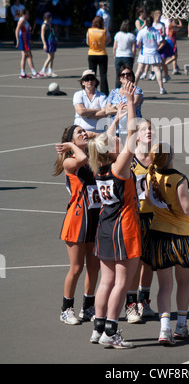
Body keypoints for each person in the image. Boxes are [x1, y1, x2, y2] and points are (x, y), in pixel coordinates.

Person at [89, 80, 142, 349]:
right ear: (110, 149)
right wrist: (130, 105)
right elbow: (132, 134)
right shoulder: (120, 167)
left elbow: (105, 140)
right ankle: (112, 332)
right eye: (113, 140)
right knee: (121, 281)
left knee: (106, 280)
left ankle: (98, 329)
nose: (116, 138)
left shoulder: (99, 167)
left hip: (105, 226)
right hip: (124, 225)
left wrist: (115, 118)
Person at [142, 142, 189, 345]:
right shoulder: (179, 179)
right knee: (183, 281)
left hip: (158, 235)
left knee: (164, 286)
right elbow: (186, 209)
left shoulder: (150, 177)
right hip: (181, 236)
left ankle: (164, 329)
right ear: (170, 157)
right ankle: (181, 325)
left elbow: (148, 200)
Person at [54, 125, 101, 325]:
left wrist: (91, 135)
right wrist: (73, 146)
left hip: (96, 217)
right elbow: (80, 159)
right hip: (77, 220)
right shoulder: (70, 162)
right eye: (78, 132)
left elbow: (107, 140)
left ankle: (88, 307)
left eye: (84, 131)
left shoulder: (93, 158)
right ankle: (66, 309)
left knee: (93, 267)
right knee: (76, 268)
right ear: (70, 141)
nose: (83, 133)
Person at [125, 119, 156, 323]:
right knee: (134, 262)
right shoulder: (129, 160)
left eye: (151, 128)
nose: (149, 132)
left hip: (154, 217)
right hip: (135, 217)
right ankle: (130, 305)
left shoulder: (156, 159)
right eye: (144, 129)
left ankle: (144, 301)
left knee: (149, 262)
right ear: (135, 135)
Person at [106, 66, 143, 145]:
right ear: (119, 78)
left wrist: (116, 106)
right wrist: (122, 108)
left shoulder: (137, 91)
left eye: (128, 74)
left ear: (132, 77)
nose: (125, 76)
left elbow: (133, 105)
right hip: (116, 130)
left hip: (131, 129)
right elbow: (107, 110)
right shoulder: (114, 92)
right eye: (123, 75)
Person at [135, 16, 167, 95]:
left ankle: (133, 86)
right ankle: (161, 88)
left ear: (145, 22)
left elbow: (138, 43)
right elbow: (160, 42)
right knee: (157, 70)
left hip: (144, 53)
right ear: (152, 22)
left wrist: (140, 47)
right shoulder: (155, 31)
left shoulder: (142, 31)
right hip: (154, 53)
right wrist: (156, 46)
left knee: (139, 70)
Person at [73, 69, 108, 133]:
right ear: (83, 82)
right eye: (86, 79)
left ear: (95, 81)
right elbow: (81, 111)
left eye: (92, 79)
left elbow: (105, 112)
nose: (90, 81)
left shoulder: (102, 96)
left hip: (98, 132)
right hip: (81, 132)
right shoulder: (78, 94)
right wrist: (96, 110)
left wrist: (88, 114)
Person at [15, 9, 43, 79]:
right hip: (23, 40)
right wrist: (18, 40)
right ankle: (34, 72)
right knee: (29, 56)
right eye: (27, 14)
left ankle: (22, 73)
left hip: (25, 39)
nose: (28, 15)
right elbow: (17, 30)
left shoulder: (24, 20)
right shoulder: (22, 20)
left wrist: (29, 39)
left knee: (24, 57)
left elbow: (26, 30)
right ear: (24, 14)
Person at [86, 15, 109, 96]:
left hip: (92, 53)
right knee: (103, 75)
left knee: (92, 74)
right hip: (102, 53)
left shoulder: (89, 31)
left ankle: (92, 91)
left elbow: (87, 42)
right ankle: (105, 93)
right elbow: (107, 40)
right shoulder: (103, 31)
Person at [113, 19, 136, 88]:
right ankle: (128, 89)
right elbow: (133, 49)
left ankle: (117, 89)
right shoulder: (131, 35)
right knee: (128, 76)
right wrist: (133, 57)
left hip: (119, 56)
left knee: (118, 75)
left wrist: (115, 56)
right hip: (128, 56)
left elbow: (114, 47)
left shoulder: (117, 34)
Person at [40, 12, 58, 77]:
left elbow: (52, 32)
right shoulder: (44, 25)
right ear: (48, 18)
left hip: (52, 41)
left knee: (52, 56)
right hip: (48, 42)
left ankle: (50, 71)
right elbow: (42, 35)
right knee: (50, 57)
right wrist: (44, 44)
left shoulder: (49, 23)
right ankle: (43, 70)